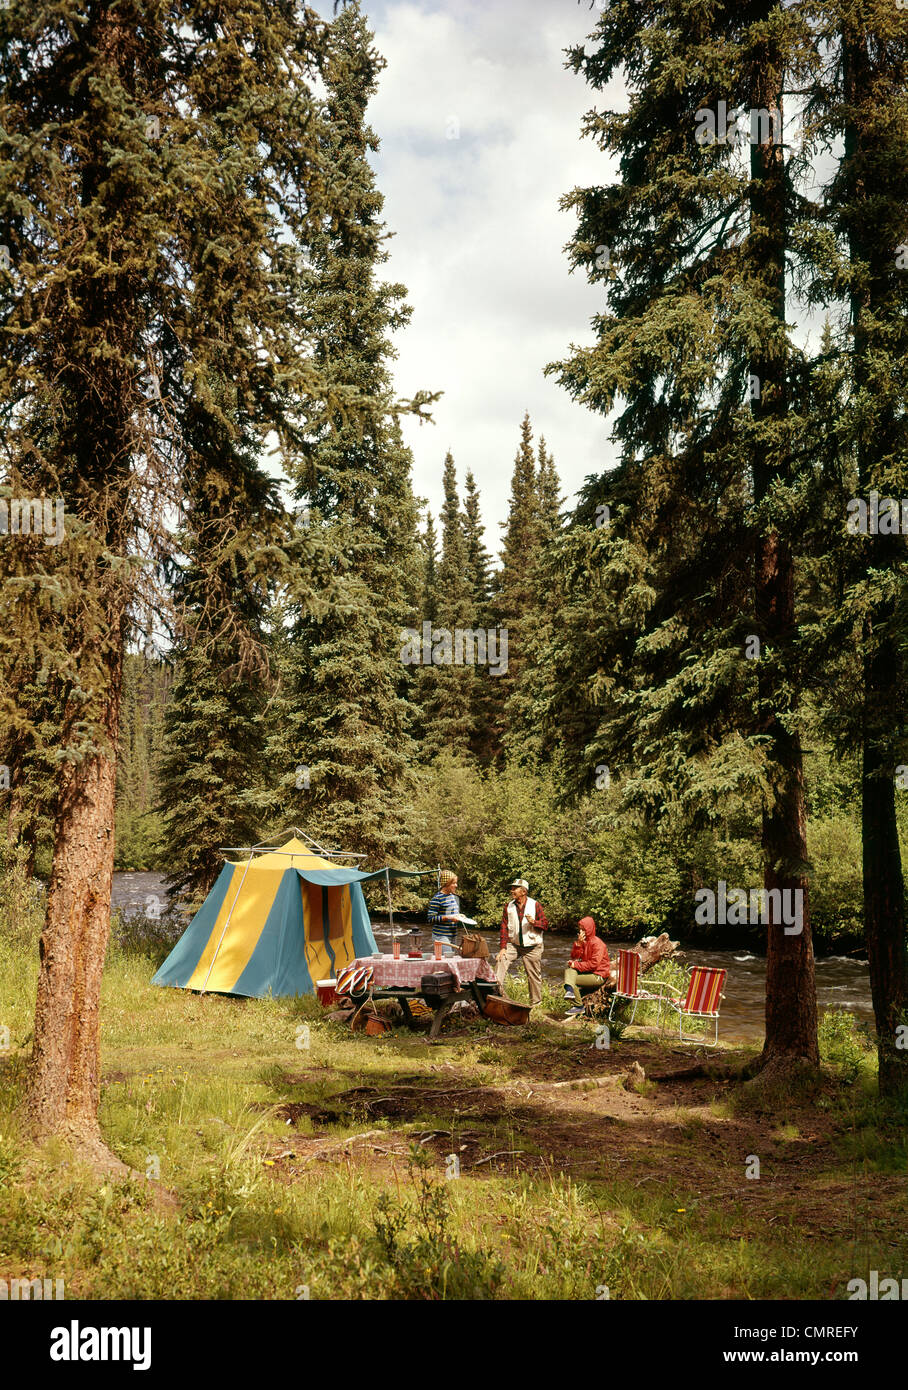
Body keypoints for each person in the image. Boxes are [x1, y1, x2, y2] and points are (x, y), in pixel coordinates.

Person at [496, 877, 549, 1008]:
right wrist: (503, 947)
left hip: (532, 947)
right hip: (513, 944)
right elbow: (504, 927)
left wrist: (534, 923)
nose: (512, 890)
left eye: (515, 888)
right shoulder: (508, 906)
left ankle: (535, 1004)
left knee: (533, 976)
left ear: (523, 891)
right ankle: (496, 995)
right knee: (500, 960)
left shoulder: (535, 905)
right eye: (512, 888)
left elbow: (545, 925)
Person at [563, 916, 611, 1018]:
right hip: (589, 972)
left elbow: (594, 964)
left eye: (583, 929)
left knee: (573, 980)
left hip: (598, 975)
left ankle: (578, 1006)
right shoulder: (584, 941)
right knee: (569, 970)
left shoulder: (598, 944)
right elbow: (574, 956)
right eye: (580, 929)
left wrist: (576, 964)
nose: (581, 932)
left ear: (589, 929)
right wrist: (578, 944)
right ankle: (569, 991)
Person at [427, 869, 461, 957]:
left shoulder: (454, 897)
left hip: (453, 935)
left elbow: (454, 914)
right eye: (454, 883)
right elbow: (430, 919)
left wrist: (460, 916)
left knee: (452, 960)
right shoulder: (437, 898)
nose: (456, 885)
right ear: (447, 884)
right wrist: (448, 917)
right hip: (441, 936)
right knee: (447, 960)